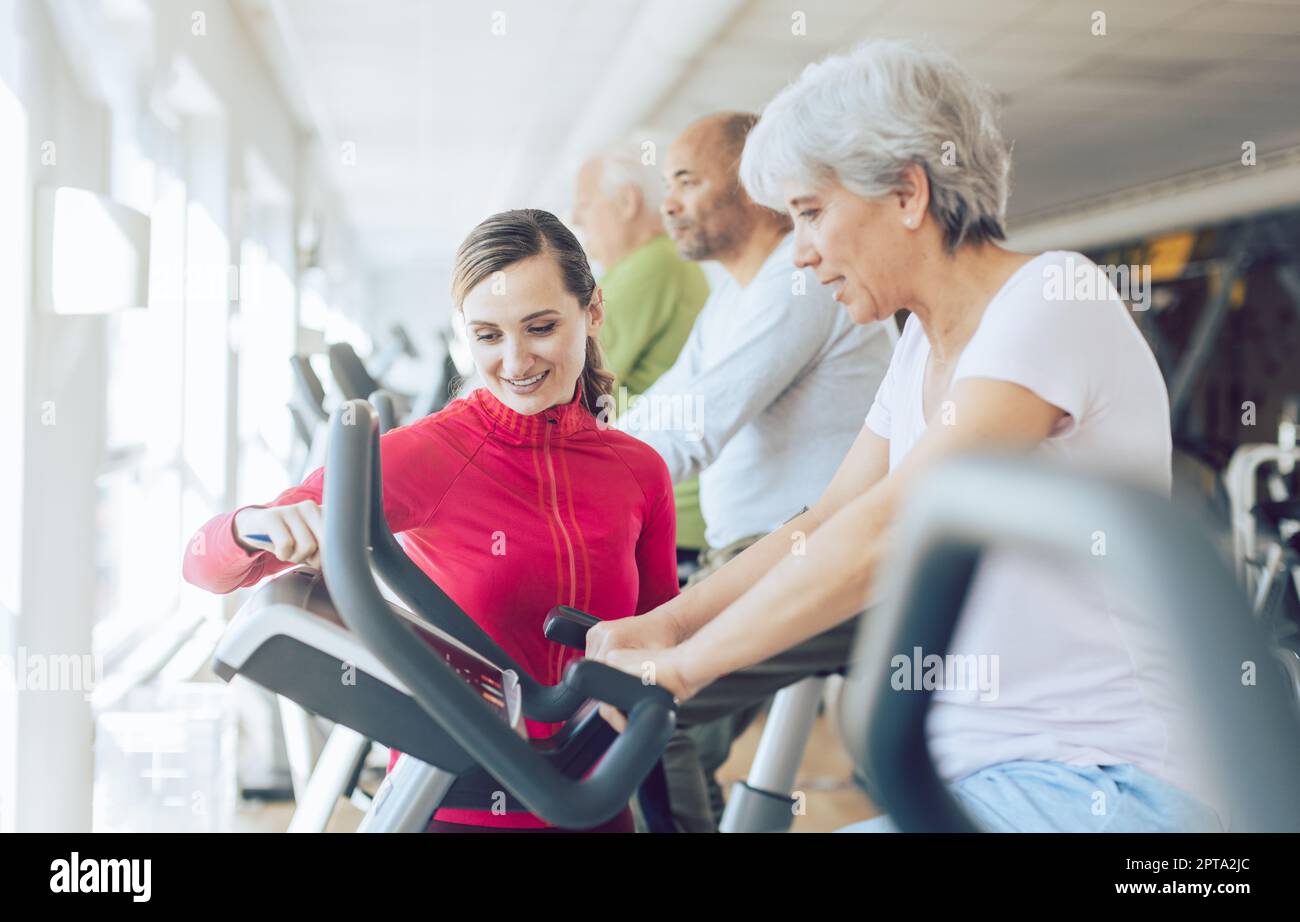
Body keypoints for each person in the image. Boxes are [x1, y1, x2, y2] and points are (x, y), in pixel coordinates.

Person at [588, 40, 1223, 833]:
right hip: (978, 787)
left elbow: (898, 526)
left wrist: (684, 669)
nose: (804, 252)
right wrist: (671, 623)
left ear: (907, 193)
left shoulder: (1051, 296)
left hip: (1109, 787)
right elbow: (823, 523)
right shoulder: (922, 343)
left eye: (812, 214)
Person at [183, 209, 678, 833]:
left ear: (594, 312)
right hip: (459, 805)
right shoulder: (429, 453)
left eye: (541, 326)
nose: (516, 359)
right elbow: (202, 562)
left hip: (598, 803)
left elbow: (665, 640)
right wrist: (253, 526)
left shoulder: (639, 472)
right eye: (488, 336)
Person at [617, 112, 896, 831]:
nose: (669, 203)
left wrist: (576, 489)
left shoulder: (795, 285)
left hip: (822, 558)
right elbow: (659, 409)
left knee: (651, 718)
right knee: (641, 707)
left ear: (751, 185)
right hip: (757, 554)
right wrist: (567, 460)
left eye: (687, 181)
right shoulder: (730, 299)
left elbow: (693, 430)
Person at [571, 142, 711, 562]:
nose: (577, 219)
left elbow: (564, 382)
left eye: (583, 205)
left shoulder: (649, 267)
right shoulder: (662, 263)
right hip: (669, 500)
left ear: (627, 202)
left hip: (670, 513)